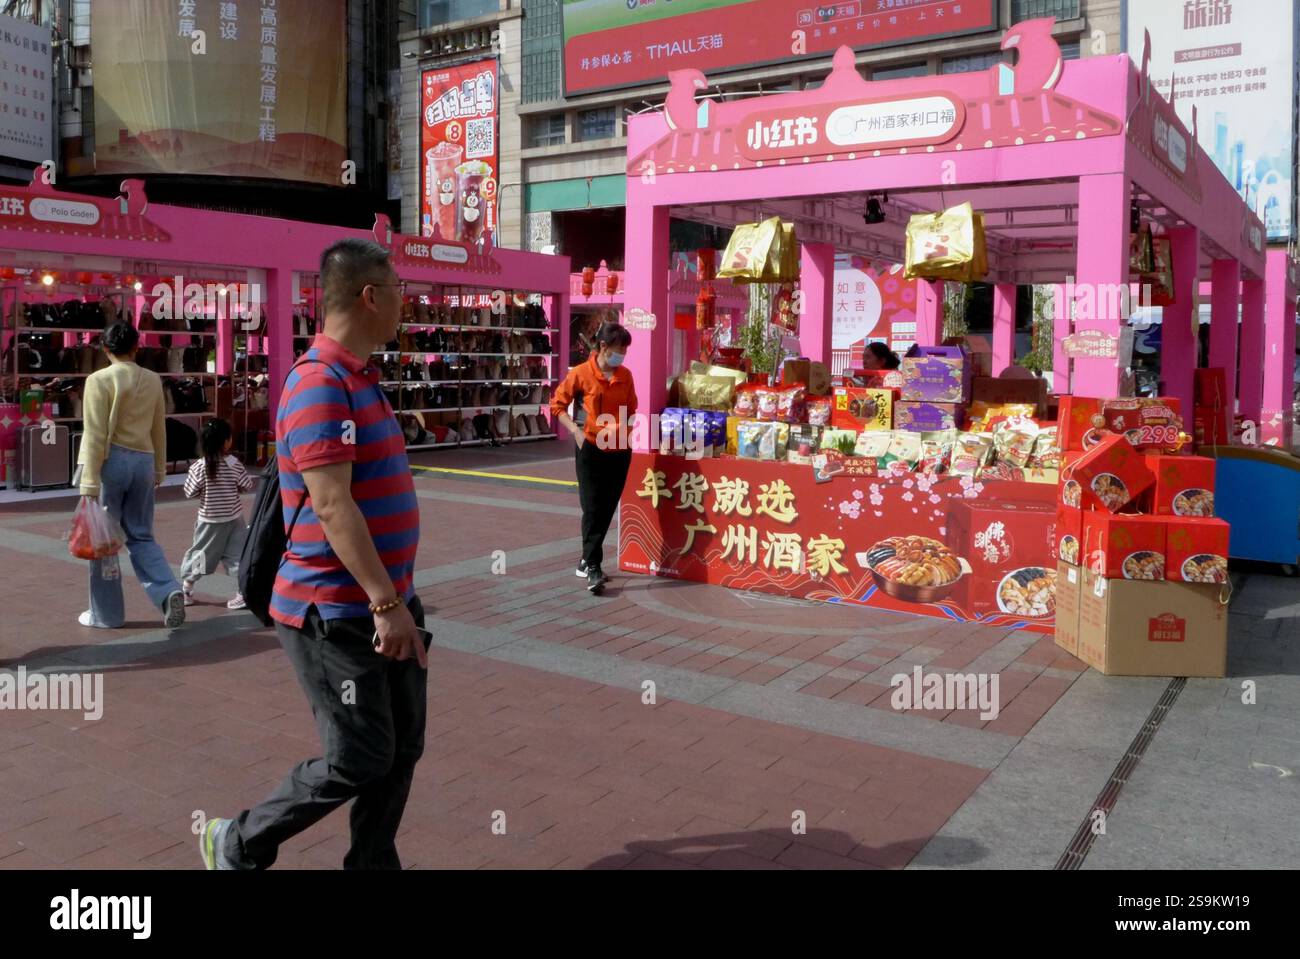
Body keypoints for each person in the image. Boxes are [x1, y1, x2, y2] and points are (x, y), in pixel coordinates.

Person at [200, 238, 428, 871]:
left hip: (386, 602)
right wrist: (385, 603)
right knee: (359, 755)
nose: (405, 302)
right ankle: (237, 841)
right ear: (370, 295)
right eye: (400, 290)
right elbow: (332, 506)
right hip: (336, 612)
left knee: (401, 746)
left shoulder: (361, 380)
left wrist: (397, 598)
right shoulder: (319, 386)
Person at [76, 321, 186, 630]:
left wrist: (89, 482)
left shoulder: (98, 380)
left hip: (112, 462)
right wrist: (160, 468)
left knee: (105, 540)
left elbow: (96, 433)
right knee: (142, 535)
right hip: (144, 460)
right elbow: (158, 427)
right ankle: (168, 590)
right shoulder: (152, 380)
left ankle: (106, 614)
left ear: (105, 349)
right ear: (136, 347)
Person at [551, 321, 637, 596]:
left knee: (607, 507)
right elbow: (557, 404)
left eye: (624, 350)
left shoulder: (626, 375)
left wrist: (626, 428)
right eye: (618, 349)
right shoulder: (581, 374)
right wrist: (575, 432)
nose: (621, 354)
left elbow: (632, 409)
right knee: (592, 507)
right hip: (590, 448)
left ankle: (586, 559)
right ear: (602, 346)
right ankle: (594, 568)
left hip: (619, 450)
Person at [180, 418, 256, 609]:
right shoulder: (233, 463)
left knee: (201, 555)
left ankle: (187, 589)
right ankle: (243, 592)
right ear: (226, 441)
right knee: (237, 555)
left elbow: (190, 492)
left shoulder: (199, 467)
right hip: (234, 518)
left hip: (209, 521)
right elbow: (246, 485)